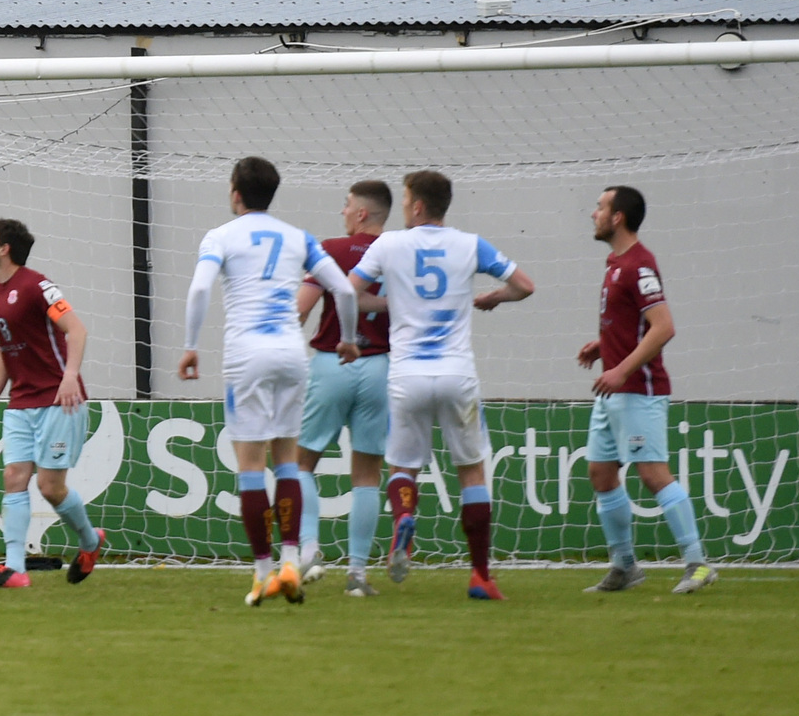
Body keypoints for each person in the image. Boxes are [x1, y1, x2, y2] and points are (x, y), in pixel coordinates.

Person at [180, 157, 360, 607]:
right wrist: (350, 339)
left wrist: (189, 345)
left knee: (249, 465)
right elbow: (345, 290)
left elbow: (201, 289)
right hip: (290, 353)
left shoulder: (220, 235)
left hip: (248, 356)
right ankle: (289, 562)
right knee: (287, 463)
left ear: (235, 192)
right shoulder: (299, 237)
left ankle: (262, 573)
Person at [350, 170, 536, 600]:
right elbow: (525, 286)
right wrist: (493, 297)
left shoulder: (389, 244)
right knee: (471, 470)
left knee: (402, 467)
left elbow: (350, 292)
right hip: (457, 374)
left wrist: (391, 303)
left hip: (407, 375)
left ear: (416, 206)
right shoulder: (470, 244)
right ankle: (480, 576)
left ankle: (404, 520)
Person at [579, 186, 716, 594]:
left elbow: (664, 327)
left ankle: (698, 563)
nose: (593, 214)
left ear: (618, 217)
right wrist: (603, 346)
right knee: (601, 472)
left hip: (638, 388)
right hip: (614, 389)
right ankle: (625, 567)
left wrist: (620, 368)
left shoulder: (640, 265)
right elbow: (633, 325)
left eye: (600, 207)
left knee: (652, 473)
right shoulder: (614, 263)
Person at [0, 218, 104, 588]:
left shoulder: (37, 285)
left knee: (49, 487)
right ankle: (15, 568)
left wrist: (69, 377)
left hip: (58, 400)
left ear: (4, 249)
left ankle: (90, 543)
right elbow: (5, 349)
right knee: (13, 477)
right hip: (21, 401)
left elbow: (76, 329)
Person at [293, 180, 393, 597]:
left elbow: (299, 309)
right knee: (367, 473)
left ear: (362, 214)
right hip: (381, 368)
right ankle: (357, 576)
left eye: (347, 204)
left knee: (300, 463)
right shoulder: (398, 252)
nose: (343, 211)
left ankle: (311, 548)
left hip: (333, 362)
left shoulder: (329, 249)